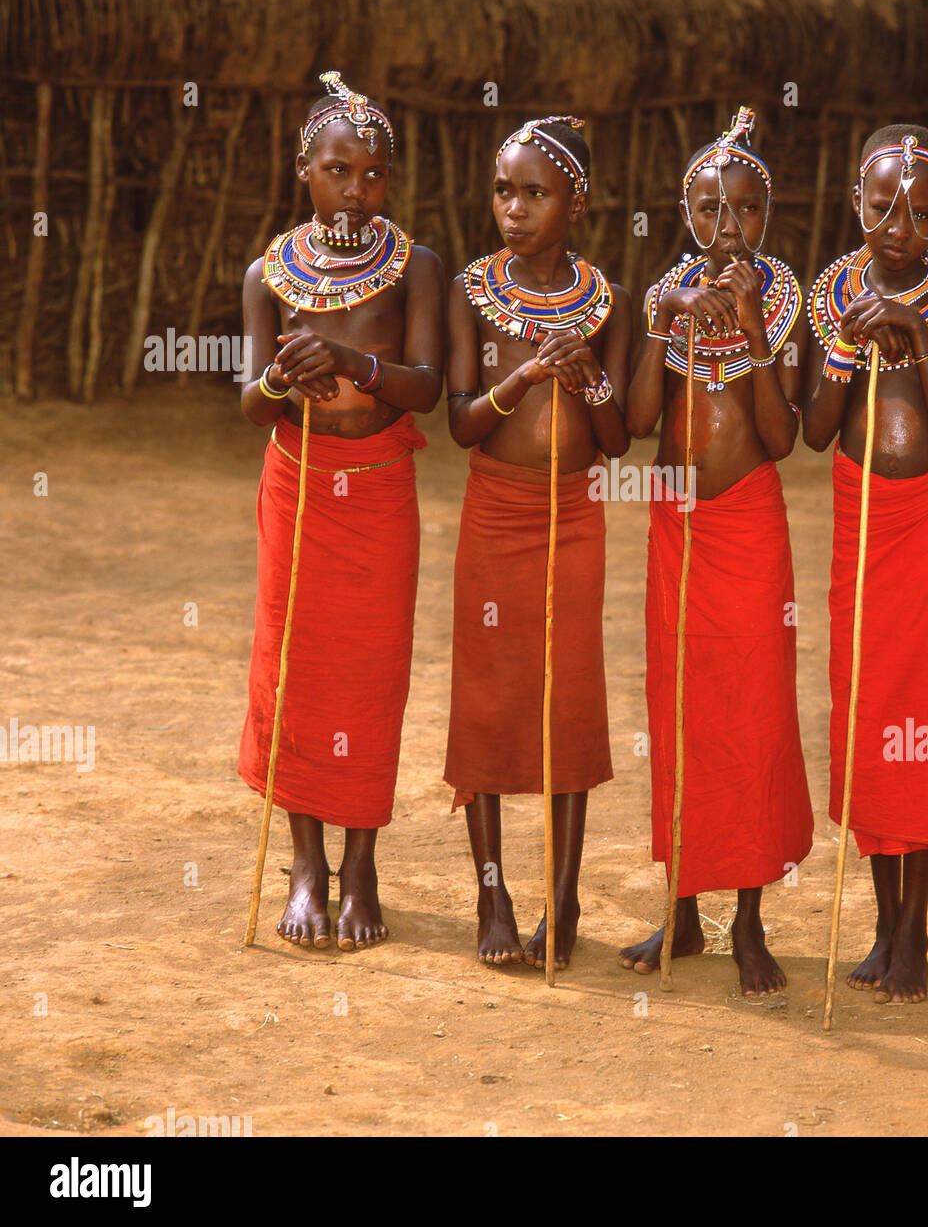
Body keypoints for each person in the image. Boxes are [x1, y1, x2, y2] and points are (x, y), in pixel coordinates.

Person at [238, 72, 445, 951]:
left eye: (373, 175)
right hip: (301, 482)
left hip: (380, 489)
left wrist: (356, 368)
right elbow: (249, 398)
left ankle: (362, 863)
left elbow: (428, 388)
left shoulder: (419, 268)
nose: (355, 190)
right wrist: (286, 377)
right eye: (337, 171)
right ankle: (308, 866)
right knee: (296, 667)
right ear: (303, 172)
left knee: (370, 670)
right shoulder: (267, 273)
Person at [618, 108, 813, 996]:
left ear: (764, 218)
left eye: (740, 209)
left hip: (747, 520)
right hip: (674, 520)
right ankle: (685, 911)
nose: (722, 225)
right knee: (681, 710)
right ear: (684, 210)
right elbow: (634, 424)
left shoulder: (787, 297)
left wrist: (751, 326)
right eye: (705, 208)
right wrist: (669, 321)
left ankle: (748, 920)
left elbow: (780, 437)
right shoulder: (663, 292)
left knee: (753, 713)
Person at [802, 124, 928, 1004]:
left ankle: (915, 932)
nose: (899, 227)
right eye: (884, 207)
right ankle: (880, 926)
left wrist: (916, 339)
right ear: (857, 204)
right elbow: (811, 432)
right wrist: (845, 343)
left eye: (919, 213)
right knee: (870, 714)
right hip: (863, 520)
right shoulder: (830, 290)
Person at [444, 115, 632, 971]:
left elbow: (621, 439)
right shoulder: (467, 290)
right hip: (495, 514)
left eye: (534, 193)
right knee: (488, 699)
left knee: (567, 702)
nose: (513, 210)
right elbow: (459, 424)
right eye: (502, 191)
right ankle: (492, 893)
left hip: (574, 518)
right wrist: (520, 376)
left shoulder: (612, 304)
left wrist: (587, 374)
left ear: (577, 204)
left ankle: (562, 900)